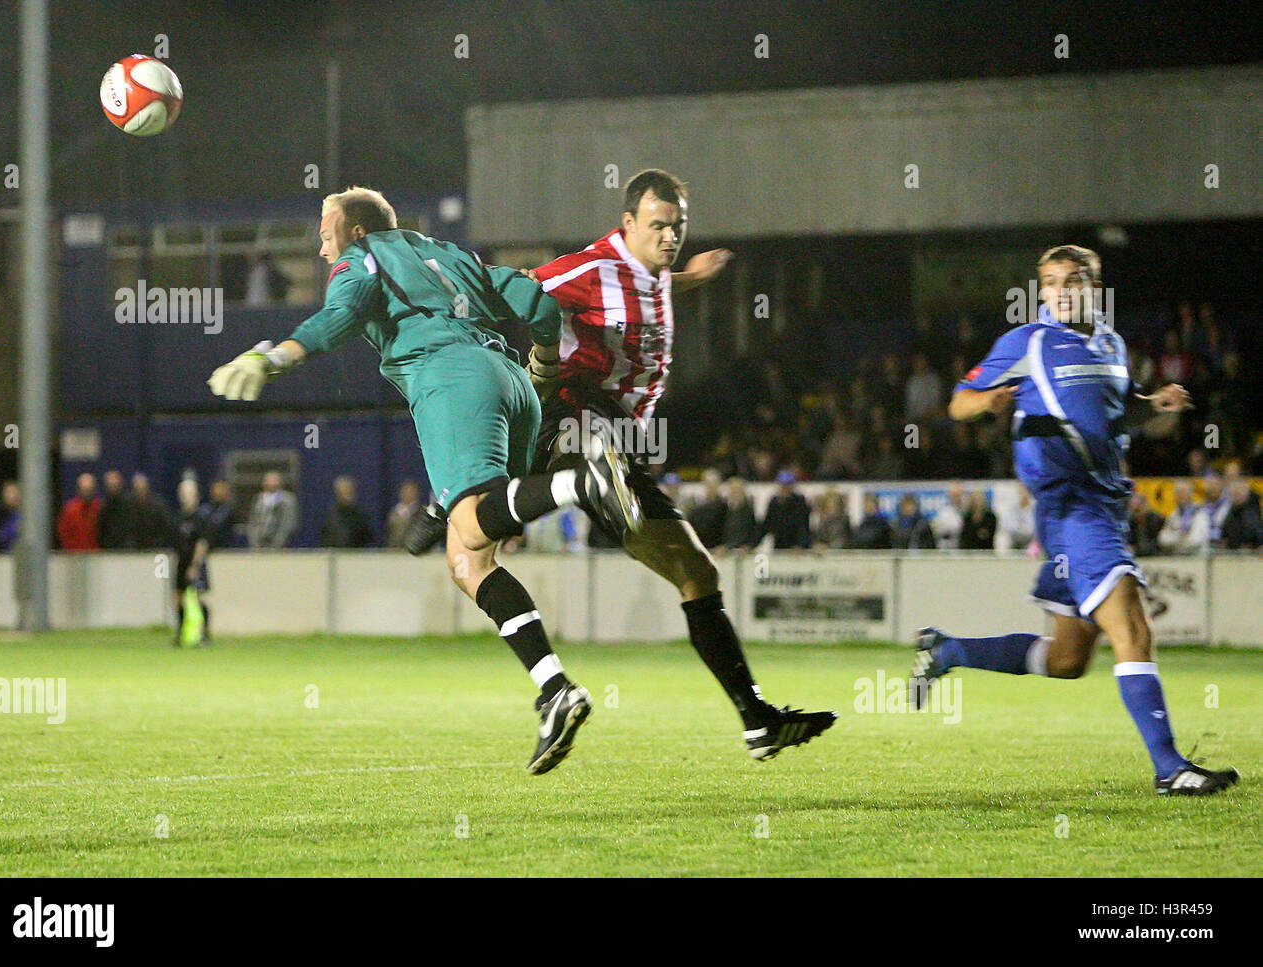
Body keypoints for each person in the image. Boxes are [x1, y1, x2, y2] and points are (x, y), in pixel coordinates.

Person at [210, 185, 643, 775]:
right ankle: (555, 690)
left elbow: (339, 318)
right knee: (469, 558)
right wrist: (542, 360)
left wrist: (272, 356)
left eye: (323, 229)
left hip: (451, 378)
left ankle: (581, 485)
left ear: (356, 230)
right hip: (513, 384)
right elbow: (537, 300)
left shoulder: (361, 261)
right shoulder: (450, 253)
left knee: (472, 518)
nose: (319, 245)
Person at [526, 169, 835, 759]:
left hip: (621, 444)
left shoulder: (657, 274)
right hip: (573, 418)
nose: (670, 237)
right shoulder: (592, 269)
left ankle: (757, 720)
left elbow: (663, 286)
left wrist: (696, 276)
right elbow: (521, 286)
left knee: (699, 574)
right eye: (658, 226)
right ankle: (482, 496)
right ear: (627, 225)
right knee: (569, 470)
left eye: (678, 227)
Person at [911, 243, 1237, 796]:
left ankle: (945, 650)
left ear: (1093, 286)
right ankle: (1170, 768)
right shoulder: (1028, 340)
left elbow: (1112, 404)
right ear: (1041, 292)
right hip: (1073, 507)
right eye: (1052, 282)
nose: (1062, 290)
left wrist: (1150, 401)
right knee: (1132, 627)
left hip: (1101, 504)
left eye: (1073, 280)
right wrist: (989, 401)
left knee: (1065, 660)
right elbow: (958, 402)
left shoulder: (1111, 345)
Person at [172, 478, 212, 647]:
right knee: (178, 598)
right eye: (183, 493)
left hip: (195, 563)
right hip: (181, 562)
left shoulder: (200, 518)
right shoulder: (179, 518)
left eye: (189, 493)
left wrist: (195, 565)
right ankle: (180, 634)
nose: (186, 497)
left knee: (198, 598)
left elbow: (202, 543)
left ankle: (204, 634)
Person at [759, 470, 812, 550]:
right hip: (779, 546)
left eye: (788, 485)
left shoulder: (799, 501)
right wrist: (751, 545)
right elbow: (767, 525)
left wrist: (800, 545)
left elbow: (804, 525)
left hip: (797, 549)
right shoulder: (774, 502)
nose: (785, 488)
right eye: (783, 485)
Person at [246, 471, 299, 550]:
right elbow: (253, 521)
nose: (271, 483)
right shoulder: (258, 498)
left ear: (280, 482)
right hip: (259, 544)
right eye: (268, 480)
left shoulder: (288, 499)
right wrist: (254, 542)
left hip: (280, 544)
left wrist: (278, 543)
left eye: (274, 480)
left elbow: (289, 523)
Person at [321, 476, 373, 548]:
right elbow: (326, 536)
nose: (345, 494)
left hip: (357, 554)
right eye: (342, 491)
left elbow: (367, 536)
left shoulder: (360, 515)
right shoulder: (331, 515)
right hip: (337, 554)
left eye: (348, 490)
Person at [1157, 480, 1208, 554]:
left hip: (1197, 558)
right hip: (1178, 559)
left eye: (1183, 491)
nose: (1181, 495)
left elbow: (1195, 541)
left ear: (1191, 493)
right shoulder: (1172, 515)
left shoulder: (1200, 512)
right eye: (1177, 492)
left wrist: (1175, 539)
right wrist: (1182, 537)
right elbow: (1162, 539)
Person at [56, 473, 101, 552]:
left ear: (94, 490)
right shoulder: (70, 509)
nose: (87, 493)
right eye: (84, 490)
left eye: (89, 489)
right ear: (78, 490)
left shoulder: (100, 508)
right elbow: (63, 533)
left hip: (97, 555)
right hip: (74, 556)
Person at [130, 473, 173, 550]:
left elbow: (166, 529)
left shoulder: (158, 506)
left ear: (147, 487)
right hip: (134, 551)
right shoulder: (129, 507)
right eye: (138, 489)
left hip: (156, 549)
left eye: (142, 488)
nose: (140, 492)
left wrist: (156, 545)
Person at [98, 469, 135, 549]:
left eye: (115, 484)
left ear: (120, 484)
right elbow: (101, 531)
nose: (113, 487)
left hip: (130, 550)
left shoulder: (131, 504)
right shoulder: (103, 507)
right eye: (110, 485)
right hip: (109, 551)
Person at [384, 480, 424, 549]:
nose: (408, 494)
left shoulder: (422, 513)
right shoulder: (394, 513)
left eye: (412, 491)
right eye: (406, 491)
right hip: (394, 552)